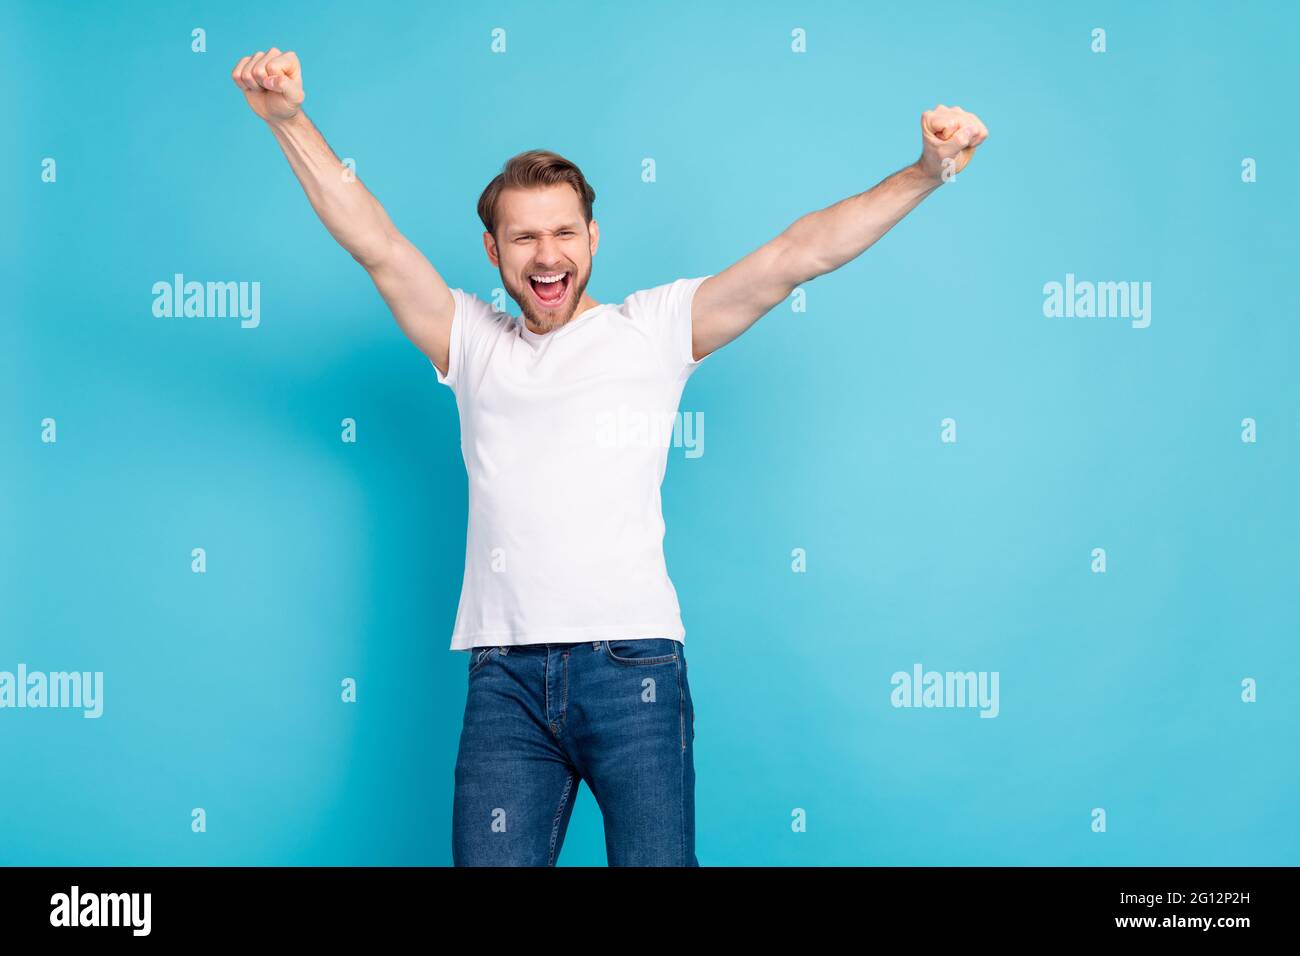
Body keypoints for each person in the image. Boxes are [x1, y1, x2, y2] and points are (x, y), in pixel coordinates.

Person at [230, 46, 988, 866]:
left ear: (592, 236)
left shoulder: (652, 330)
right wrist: (288, 121)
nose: (545, 254)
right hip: (504, 682)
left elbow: (797, 253)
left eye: (563, 231)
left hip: (635, 672)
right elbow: (375, 242)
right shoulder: (471, 344)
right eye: (523, 237)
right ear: (493, 251)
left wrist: (924, 171)